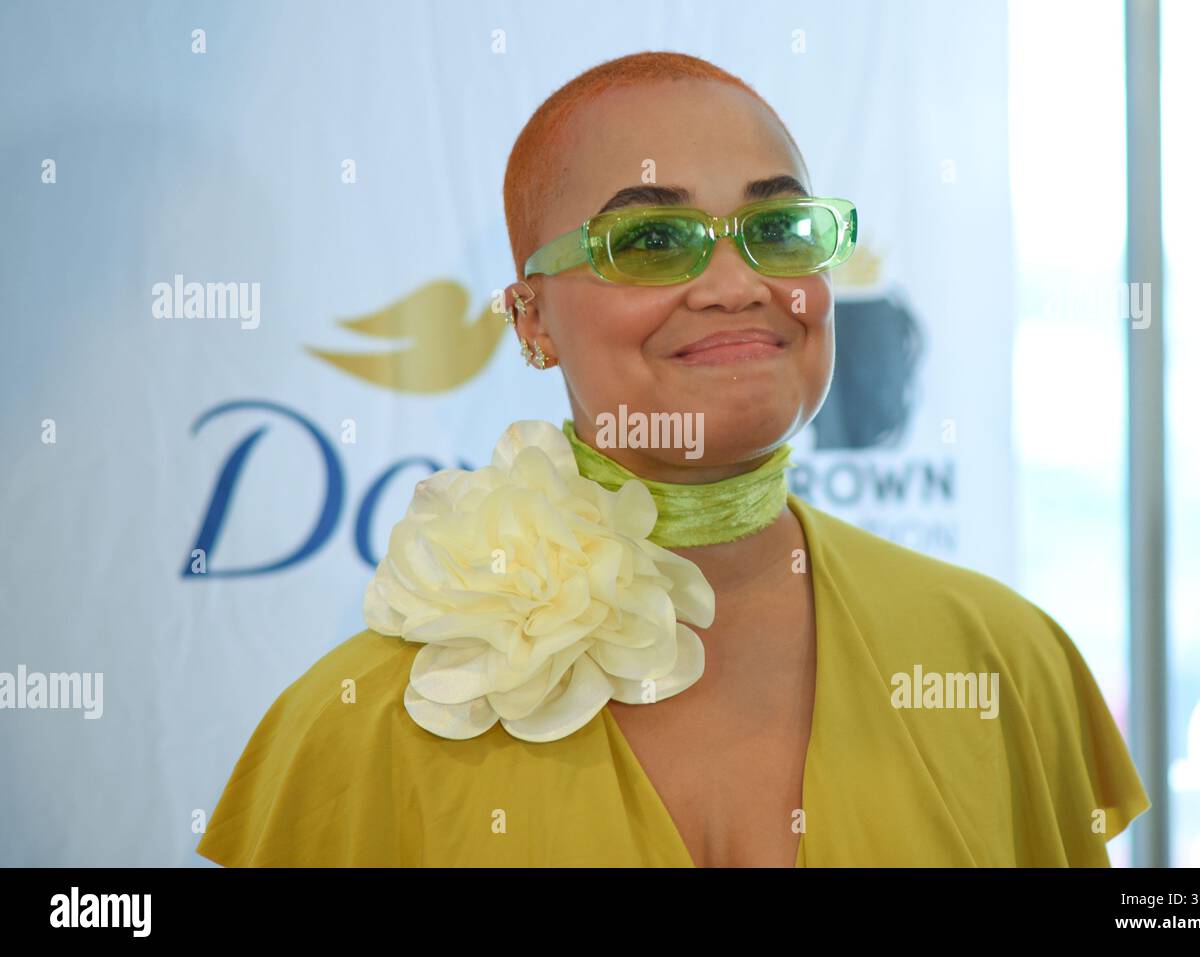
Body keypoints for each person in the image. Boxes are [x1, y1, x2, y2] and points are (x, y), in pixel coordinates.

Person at [196, 51, 1149, 868]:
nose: (737, 285)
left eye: (777, 230)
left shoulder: (1000, 661)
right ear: (530, 319)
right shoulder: (365, 726)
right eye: (651, 240)